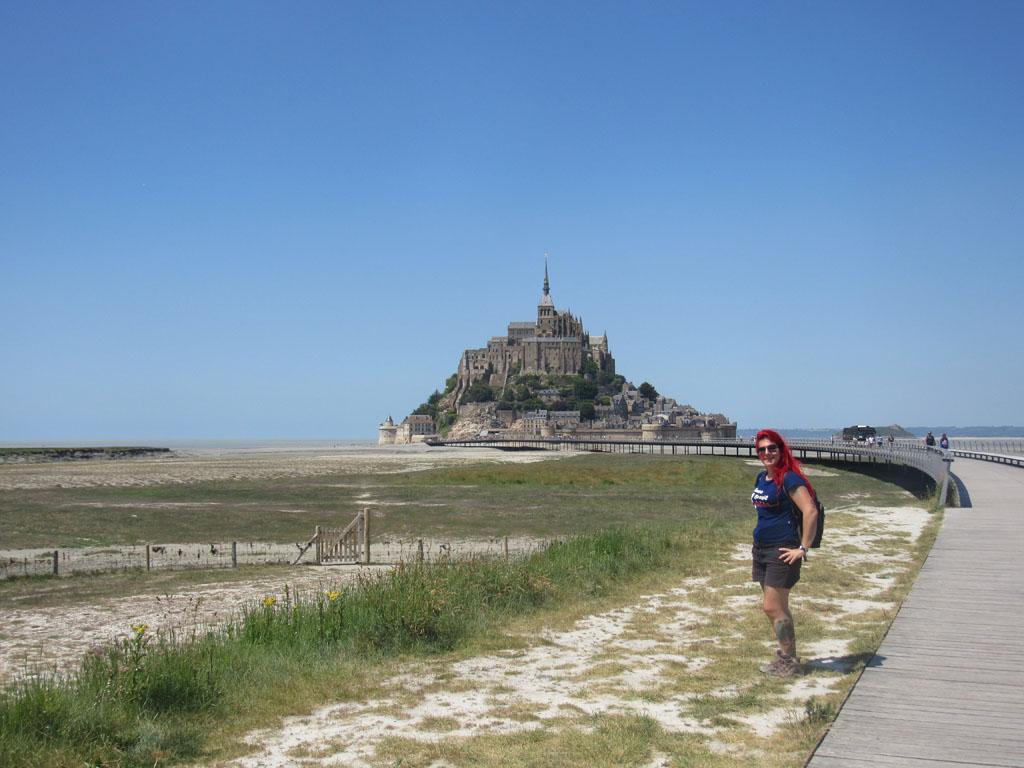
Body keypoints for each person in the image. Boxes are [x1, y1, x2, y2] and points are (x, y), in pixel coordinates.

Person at [750, 429, 820, 677]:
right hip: (761, 551)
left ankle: (788, 660)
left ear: (781, 449)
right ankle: (788, 657)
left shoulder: (789, 479)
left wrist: (802, 548)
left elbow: (810, 511)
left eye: (772, 448)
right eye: (762, 449)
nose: (767, 453)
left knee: (771, 607)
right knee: (779, 607)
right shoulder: (762, 478)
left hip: (782, 551)